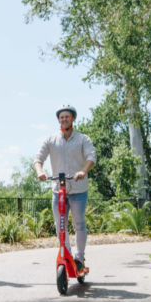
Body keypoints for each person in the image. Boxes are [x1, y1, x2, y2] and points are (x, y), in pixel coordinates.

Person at [34, 105, 96, 272]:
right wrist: (40, 172)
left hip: (78, 189)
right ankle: (66, 254)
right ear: (58, 120)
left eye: (67, 117)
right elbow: (38, 158)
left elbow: (91, 157)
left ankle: (79, 257)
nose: (64, 119)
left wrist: (83, 171)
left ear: (73, 118)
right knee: (59, 225)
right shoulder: (50, 139)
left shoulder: (83, 139)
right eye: (61, 117)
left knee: (79, 224)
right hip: (58, 189)